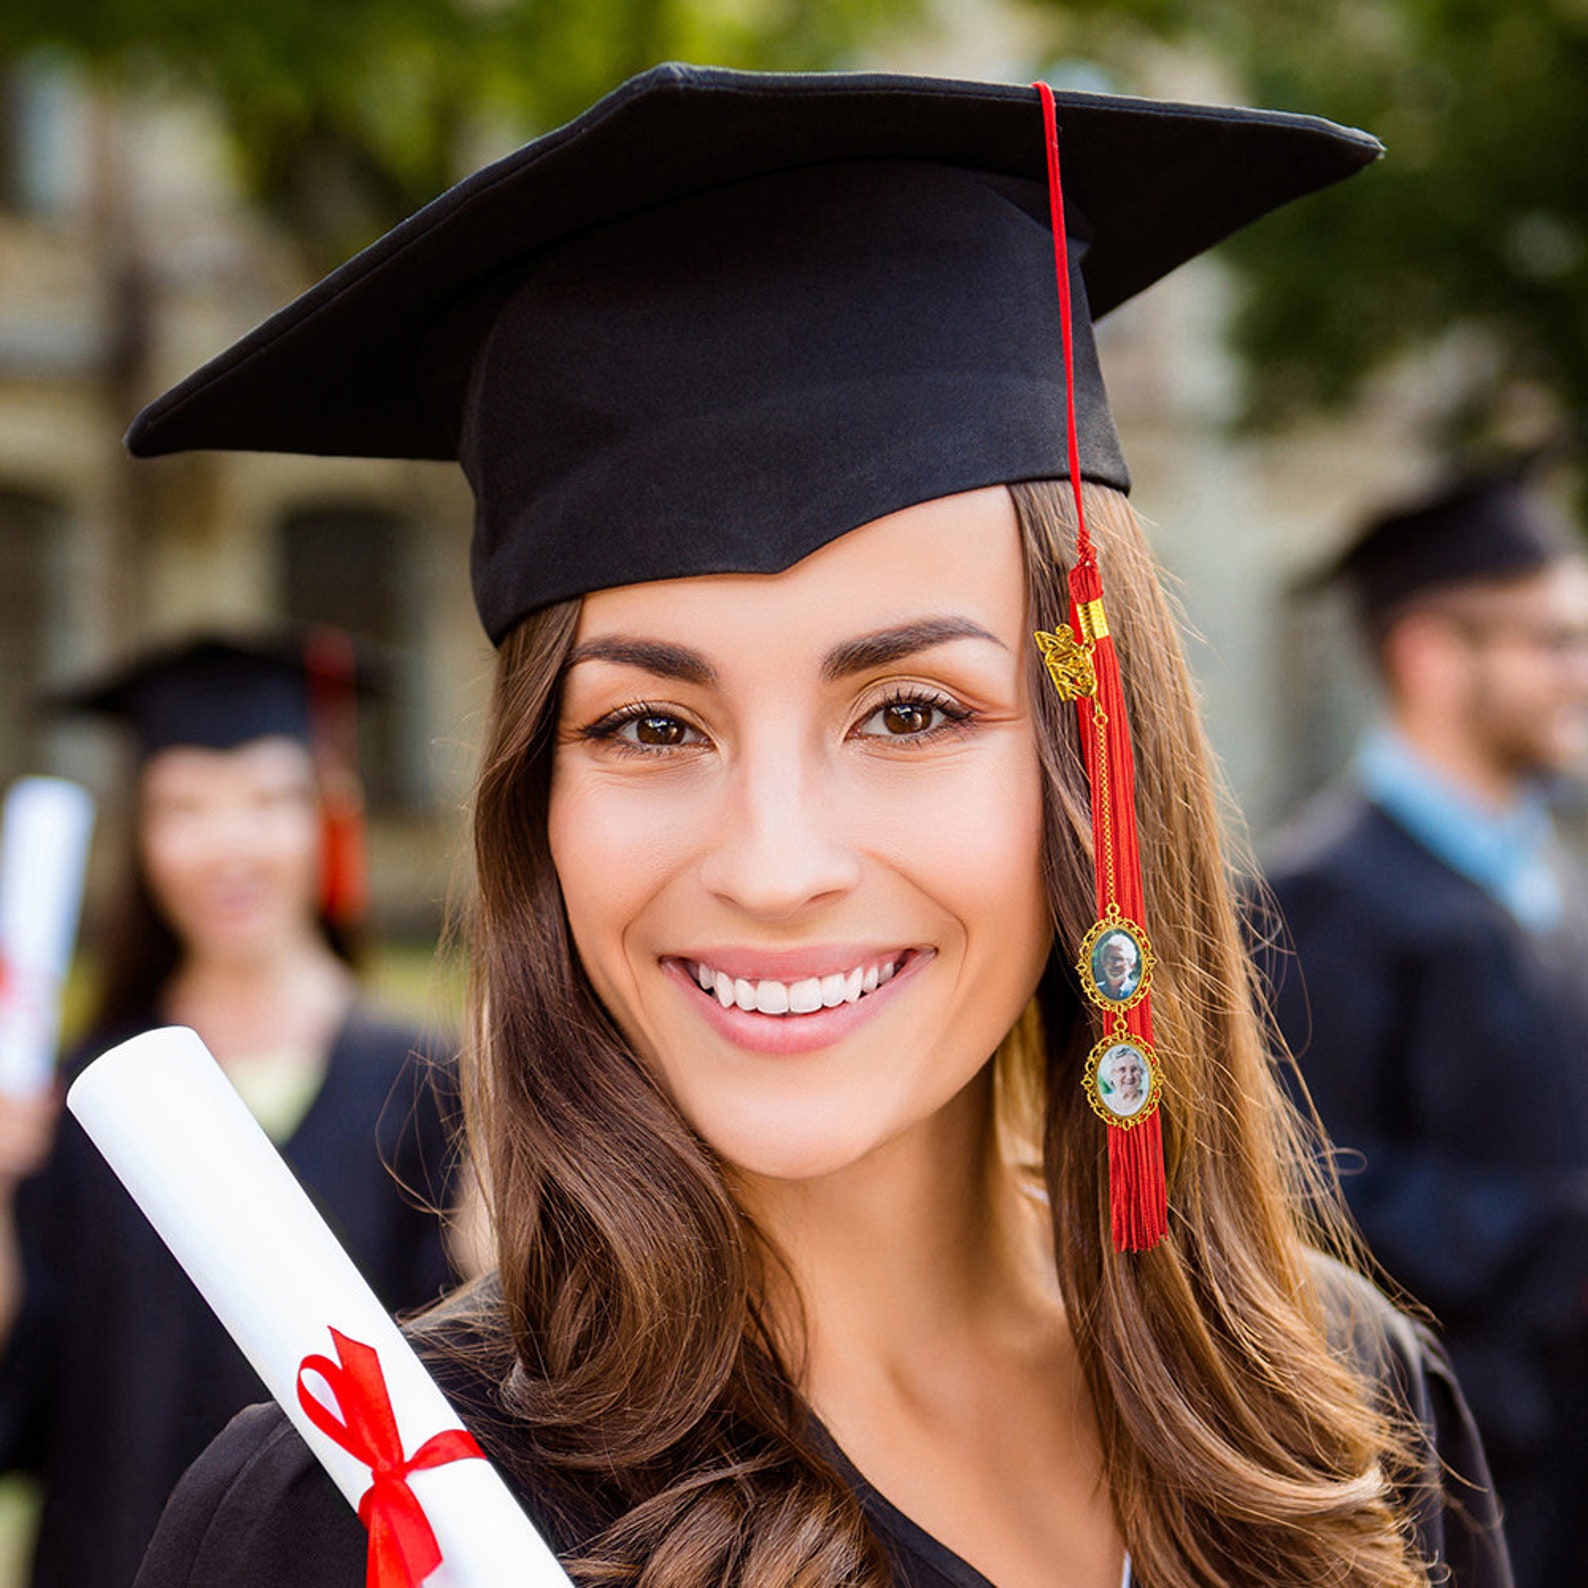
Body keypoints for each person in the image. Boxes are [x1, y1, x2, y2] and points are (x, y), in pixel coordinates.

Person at [126, 65, 1510, 1588]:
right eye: (650, 727)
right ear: (538, 802)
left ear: (1094, 753)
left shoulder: (1334, 1411)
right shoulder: (375, 1510)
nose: (776, 863)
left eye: (911, 712)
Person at [0, 632, 460, 1588]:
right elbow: (19, 1405)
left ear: (328, 816)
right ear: (142, 835)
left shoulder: (432, 1080)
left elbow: (472, 1378)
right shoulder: (77, 1097)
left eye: (267, 799)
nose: (228, 846)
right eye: (185, 809)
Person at [1264, 465, 1588, 1586]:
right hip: (1463, 1474)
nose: (1579, 674)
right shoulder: (1323, 898)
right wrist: (1557, 1241)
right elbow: (1302, 1180)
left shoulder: (1544, 873)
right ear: (1431, 656)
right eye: (1551, 641)